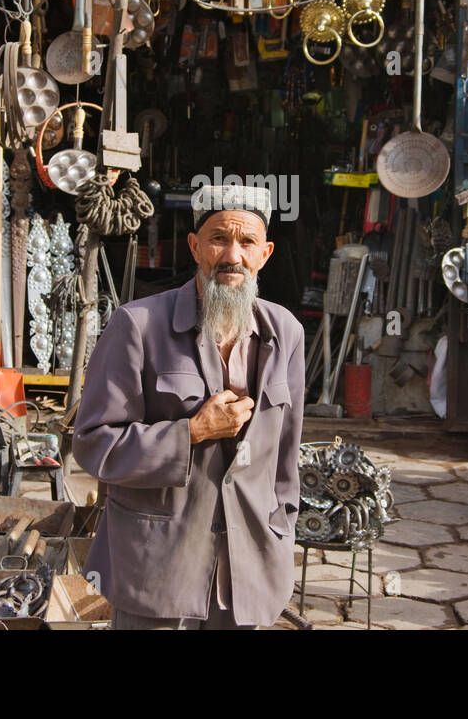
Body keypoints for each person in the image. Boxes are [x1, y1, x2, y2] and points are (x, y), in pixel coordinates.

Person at [73, 183, 305, 629]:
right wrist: (191, 432)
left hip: (248, 571)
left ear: (265, 253)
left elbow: (286, 455)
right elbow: (93, 444)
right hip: (158, 566)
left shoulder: (286, 332)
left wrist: (281, 530)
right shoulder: (138, 326)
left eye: (247, 242)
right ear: (195, 246)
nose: (232, 255)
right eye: (219, 238)